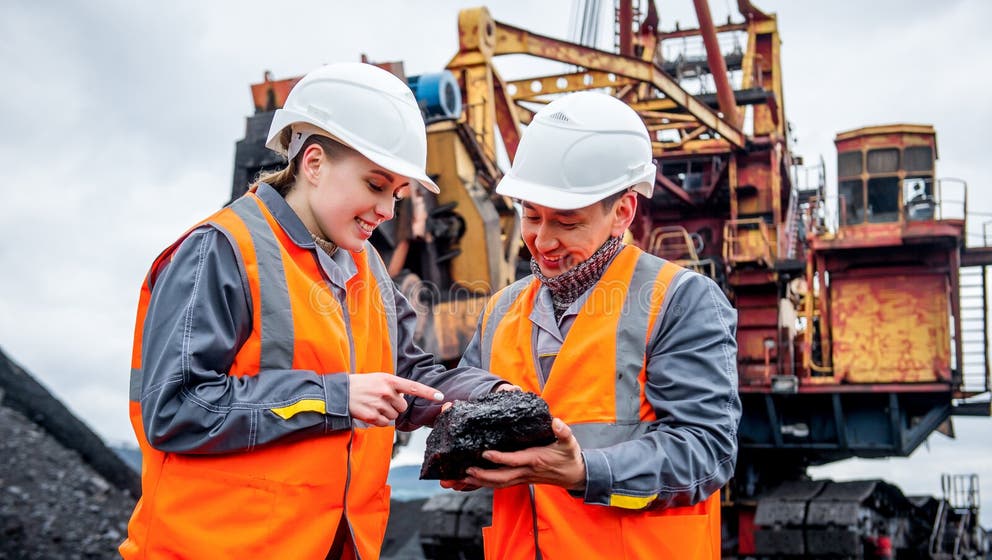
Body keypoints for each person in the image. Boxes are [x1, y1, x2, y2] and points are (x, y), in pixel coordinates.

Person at [120, 62, 508, 559]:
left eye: (395, 193)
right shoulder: (220, 250)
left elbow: (410, 376)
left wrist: (491, 396)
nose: (389, 211)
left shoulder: (366, 267)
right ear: (315, 163)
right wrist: (335, 397)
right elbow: (176, 408)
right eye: (375, 185)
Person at [442, 92, 742, 559]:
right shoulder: (502, 310)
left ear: (622, 212)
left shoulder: (680, 301)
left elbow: (707, 451)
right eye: (531, 216)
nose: (543, 241)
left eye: (566, 221)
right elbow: (463, 393)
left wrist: (585, 470)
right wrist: (463, 456)